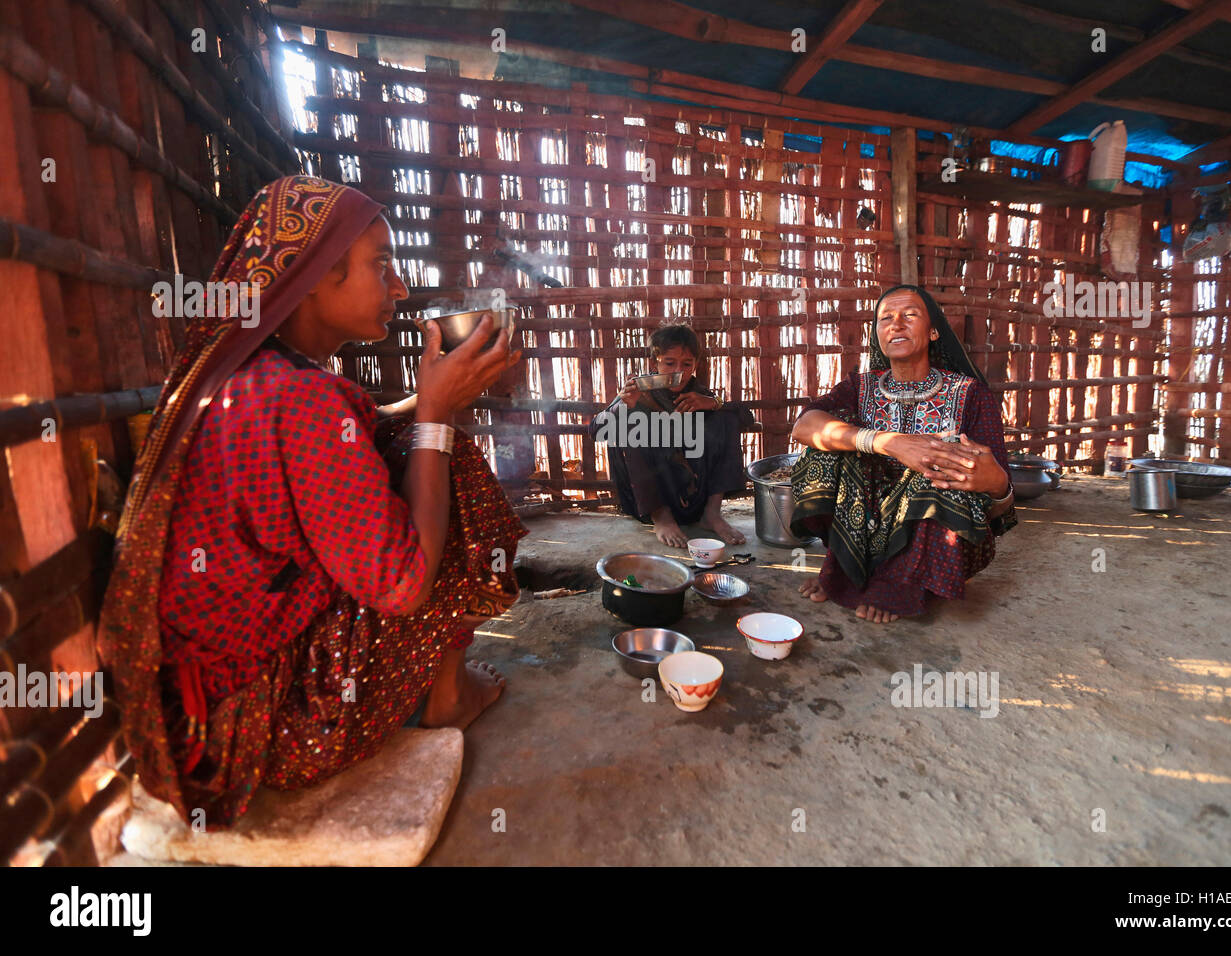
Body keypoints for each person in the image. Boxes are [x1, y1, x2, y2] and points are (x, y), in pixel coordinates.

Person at [96, 176, 526, 828]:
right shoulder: (299, 401)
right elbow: (405, 585)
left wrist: (431, 405)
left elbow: (355, 451)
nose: (400, 288)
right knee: (447, 468)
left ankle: (440, 686)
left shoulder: (256, 376)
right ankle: (446, 695)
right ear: (318, 275)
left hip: (207, 723)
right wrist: (438, 414)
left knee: (415, 447)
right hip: (266, 734)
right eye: (382, 266)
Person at [789, 285, 1016, 624]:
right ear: (877, 334)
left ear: (934, 331)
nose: (896, 325)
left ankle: (903, 584)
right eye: (885, 319)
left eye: (910, 315)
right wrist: (886, 441)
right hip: (866, 522)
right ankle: (845, 569)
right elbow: (805, 427)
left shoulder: (971, 395)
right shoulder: (860, 387)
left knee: (942, 466)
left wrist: (996, 482)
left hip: (937, 528)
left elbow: (1000, 502)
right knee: (823, 452)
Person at [588, 324, 754, 547]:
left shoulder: (696, 393)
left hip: (691, 496)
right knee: (628, 424)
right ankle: (661, 517)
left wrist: (713, 403)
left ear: (695, 364)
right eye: (669, 363)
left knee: (725, 418)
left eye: (687, 364)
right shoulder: (638, 390)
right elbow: (595, 431)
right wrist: (623, 406)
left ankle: (712, 514)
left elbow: (746, 418)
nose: (679, 372)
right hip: (645, 500)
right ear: (654, 363)